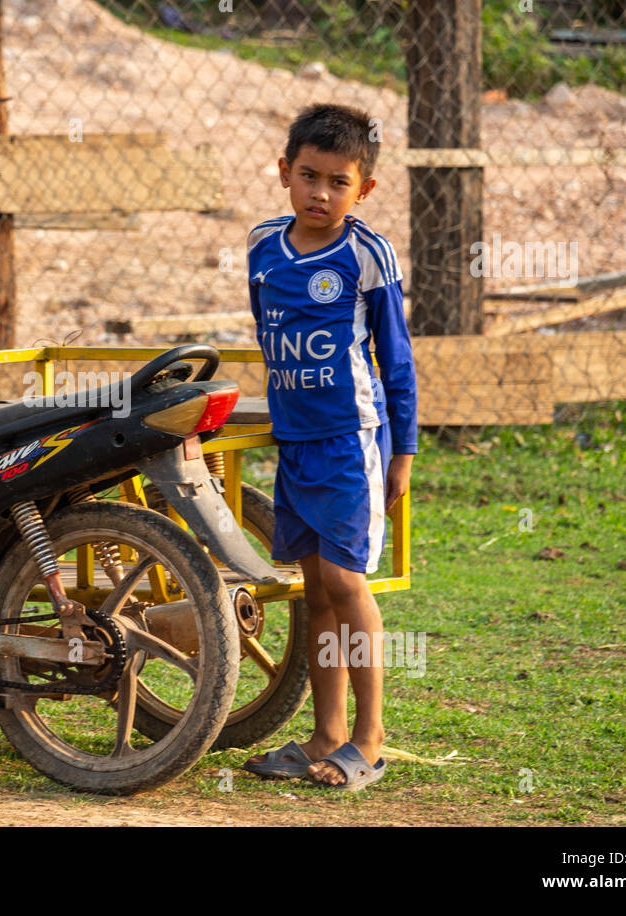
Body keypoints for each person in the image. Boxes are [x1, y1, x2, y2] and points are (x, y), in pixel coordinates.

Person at [242, 103, 417, 791]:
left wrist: (402, 453)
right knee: (313, 592)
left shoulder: (367, 255)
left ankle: (369, 743)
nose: (320, 194)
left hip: (351, 444)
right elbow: (265, 329)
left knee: (347, 585)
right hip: (296, 447)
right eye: (308, 176)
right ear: (285, 172)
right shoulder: (261, 247)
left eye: (337, 182)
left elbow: (395, 362)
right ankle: (325, 735)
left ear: (363, 190)